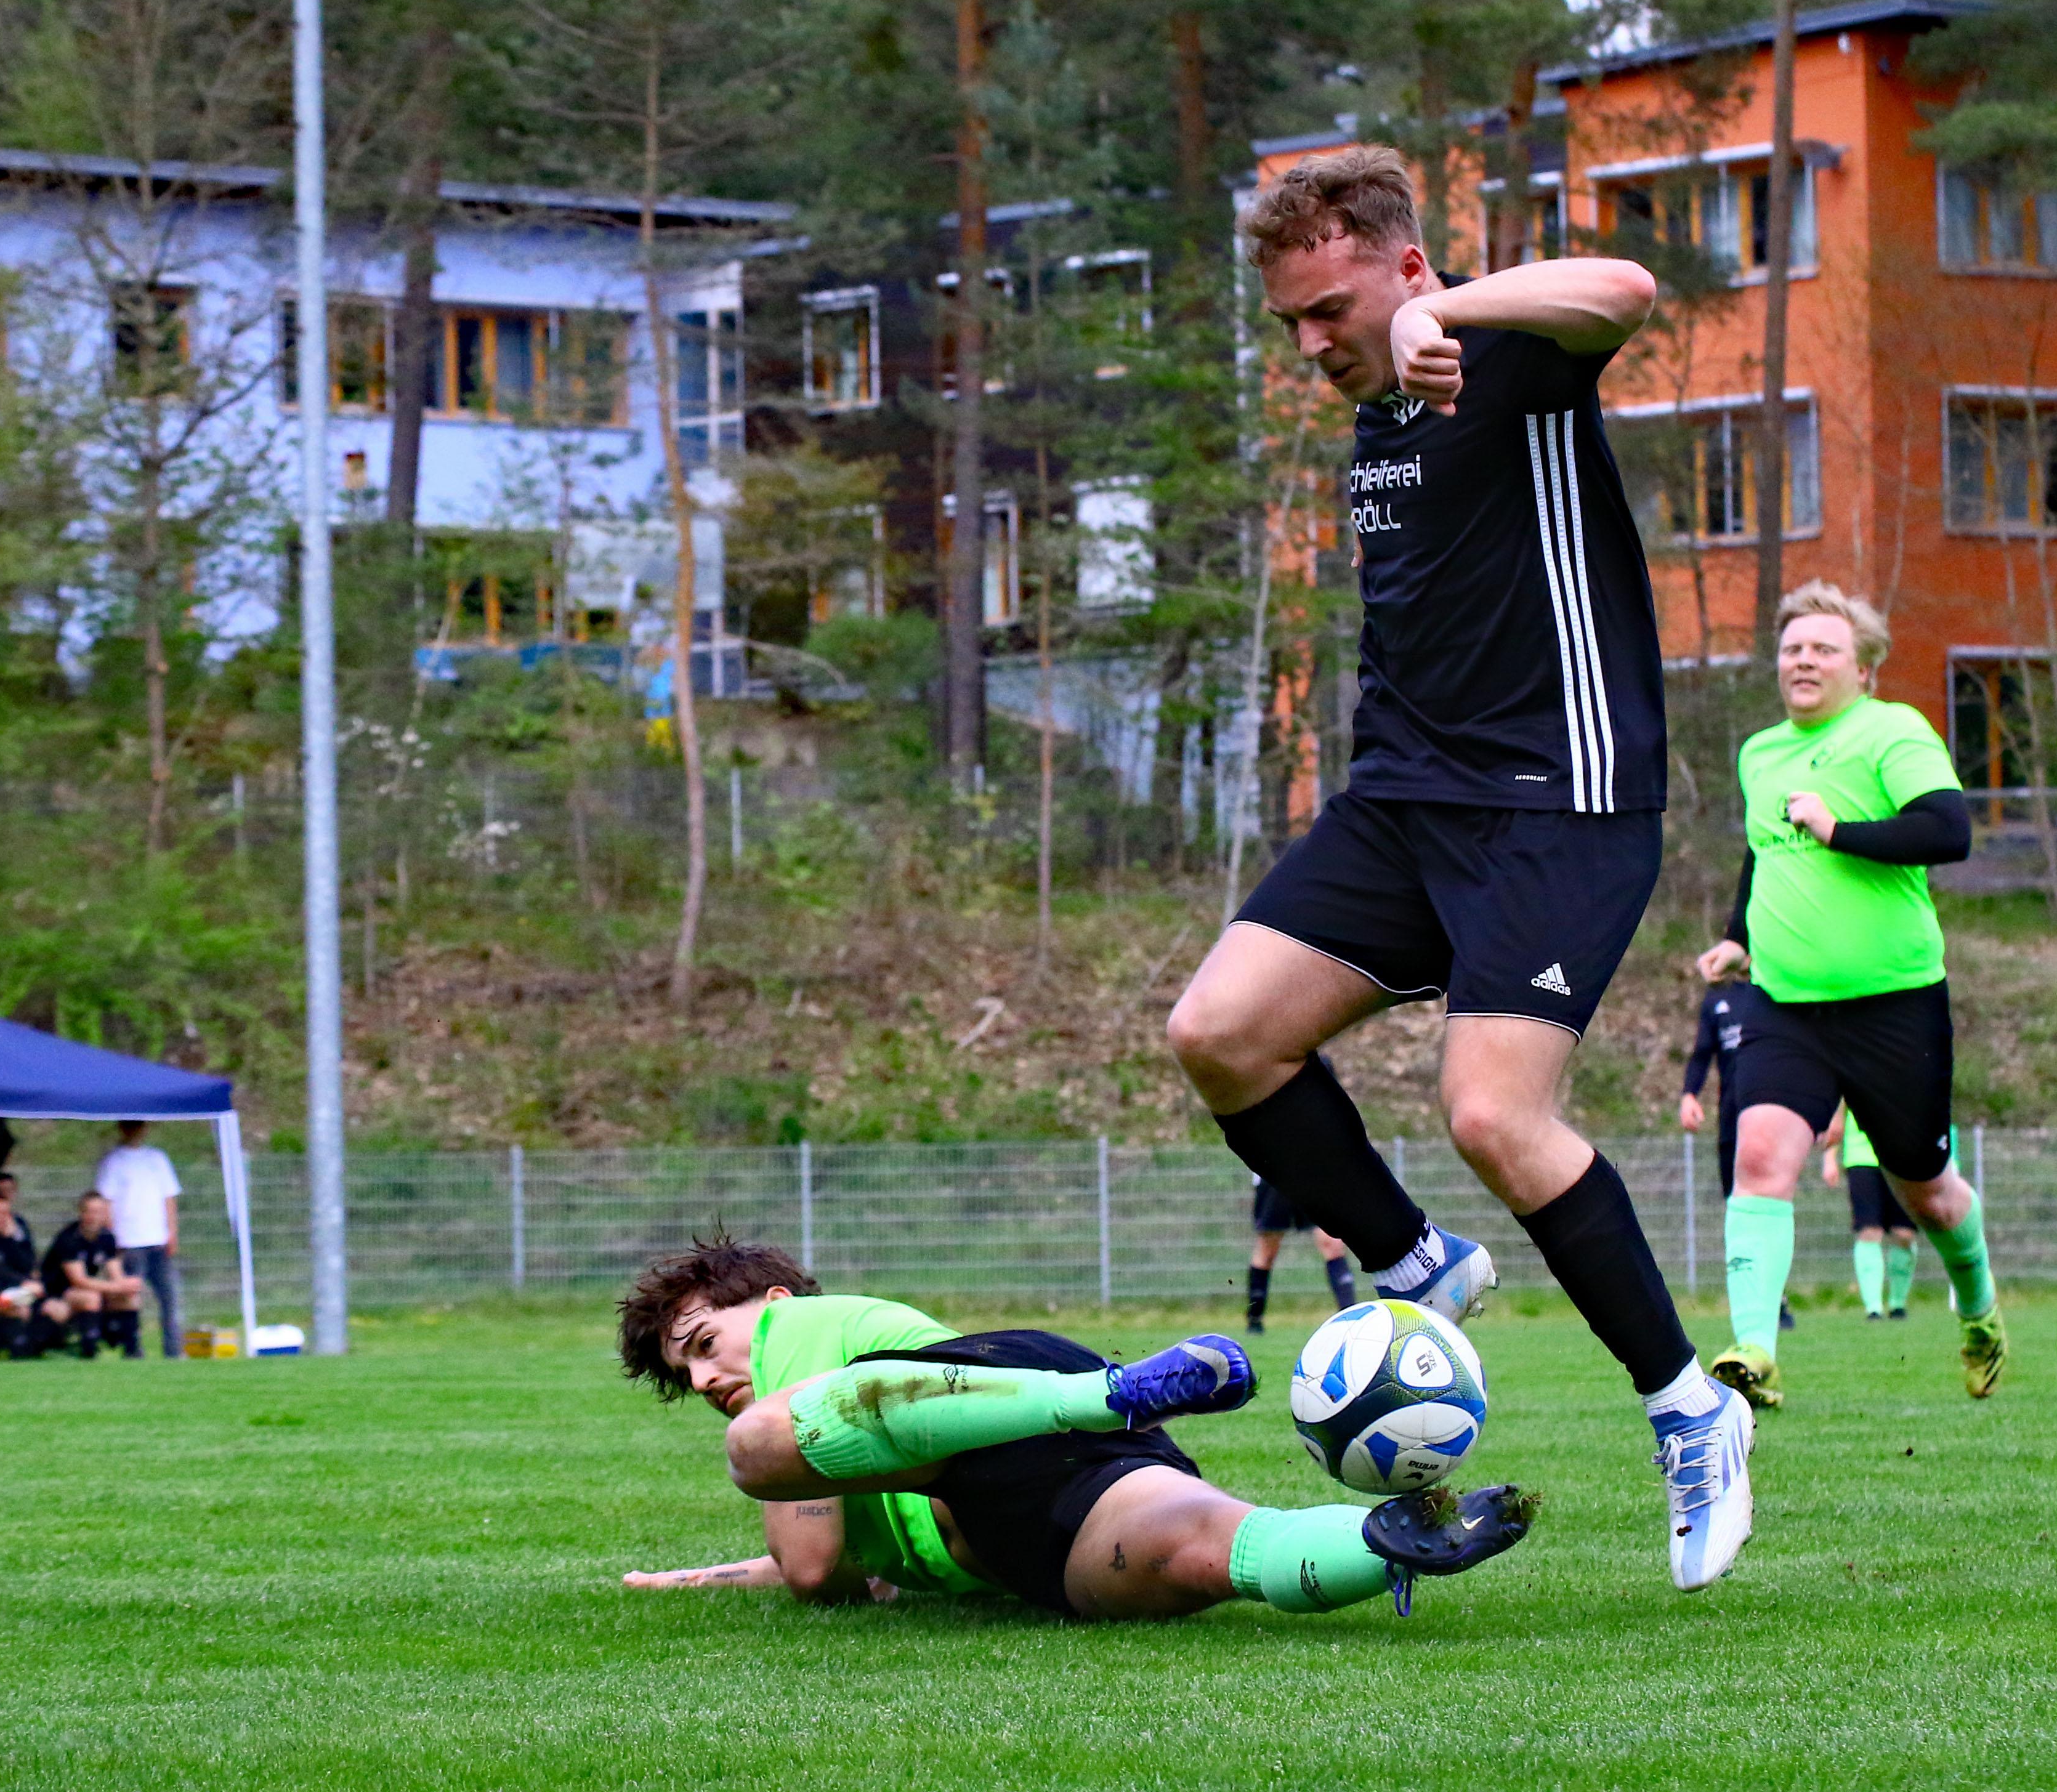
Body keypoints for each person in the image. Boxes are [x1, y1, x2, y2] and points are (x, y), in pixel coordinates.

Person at [1163, 144, 1754, 1591]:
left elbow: (1623, 285)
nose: (1309, 344)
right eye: (1288, 322)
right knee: (1219, 1034)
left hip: (1554, 805)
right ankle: (1415, 1263)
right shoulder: (1375, 421)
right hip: (1400, 804)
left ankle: (1692, 1409)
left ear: (1403, 266)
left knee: (1494, 1113)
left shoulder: (1498, 356)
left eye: (1330, 309)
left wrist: (1461, 314)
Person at [616, 1235, 1534, 1620]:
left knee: (755, 1453)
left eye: (703, 1342)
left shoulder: (803, 1329)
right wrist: (730, 1574)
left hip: (1004, 1396)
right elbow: (820, 1551)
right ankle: (1395, 1545)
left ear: (769, 1302)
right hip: (1026, 1504)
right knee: (1209, 1554)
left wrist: (810, 1569)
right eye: (682, 1373)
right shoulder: (831, 1422)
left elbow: (815, 1568)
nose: (702, 1376)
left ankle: (1106, 1394)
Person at [1694, 584, 1998, 1410]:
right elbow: (1765, 855)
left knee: (1925, 1190)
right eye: (1793, 648)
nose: (1803, 661)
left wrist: (1840, 831)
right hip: (1785, 1005)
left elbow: (1949, 831)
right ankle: (1755, 1350)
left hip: (1895, 1002)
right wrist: (1741, 940)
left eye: (1823, 649)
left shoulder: (1891, 731)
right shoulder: (1759, 754)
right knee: (1760, 1160)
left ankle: (1977, 1309)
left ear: (1862, 668)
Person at [1676, 977, 1791, 1334]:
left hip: (1771, 1116)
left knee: (1768, 1206)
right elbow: (1701, 1053)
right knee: (1738, 1209)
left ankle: (1777, 1300)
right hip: (1731, 1121)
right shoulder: (1718, 1001)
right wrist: (1689, 1094)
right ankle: (1751, 1302)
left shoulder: (1776, 989)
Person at [92, 1122, 185, 1358]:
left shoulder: (157, 1159)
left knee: (170, 1299)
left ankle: (174, 1351)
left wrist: (172, 1232)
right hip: (129, 1242)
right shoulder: (114, 1162)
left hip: (158, 1241)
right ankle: (134, 1349)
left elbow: (169, 1198)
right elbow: (107, 1203)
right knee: (131, 1300)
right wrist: (113, 1239)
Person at [1819, 1104, 1915, 1320]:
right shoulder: (1855, 1068)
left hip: (1904, 1157)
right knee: (1869, 1230)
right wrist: (1829, 1157)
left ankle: (1898, 1304)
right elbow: (1837, 1110)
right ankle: (1873, 1308)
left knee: (1904, 1234)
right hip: (1861, 1158)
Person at [1245, 1172, 1358, 1335]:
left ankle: (1350, 1316)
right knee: (1268, 1249)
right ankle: (1255, 1319)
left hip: (1312, 1172)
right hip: (1273, 1172)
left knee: (1332, 1242)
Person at [45, 1192, 148, 1358]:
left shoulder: (107, 1238)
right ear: (82, 1213)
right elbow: (79, 1280)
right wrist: (117, 1287)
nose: (93, 1217)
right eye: (89, 1212)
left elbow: (116, 1274)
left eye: (98, 1212)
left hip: (87, 1290)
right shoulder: (69, 1239)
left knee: (130, 1297)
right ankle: (89, 1351)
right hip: (58, 1293)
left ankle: (132, 1351)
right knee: (91, 1297)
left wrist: (128, 1285)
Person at [0, 1175, 49, 1357]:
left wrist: (11, 1239)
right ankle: (18, 1354)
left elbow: (27, 1264)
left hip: (17, 1288)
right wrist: (24, 1283)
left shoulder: (12, 1235)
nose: (1, 1219)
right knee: (18, 1304)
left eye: (5, 1214)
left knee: (47, 1305)